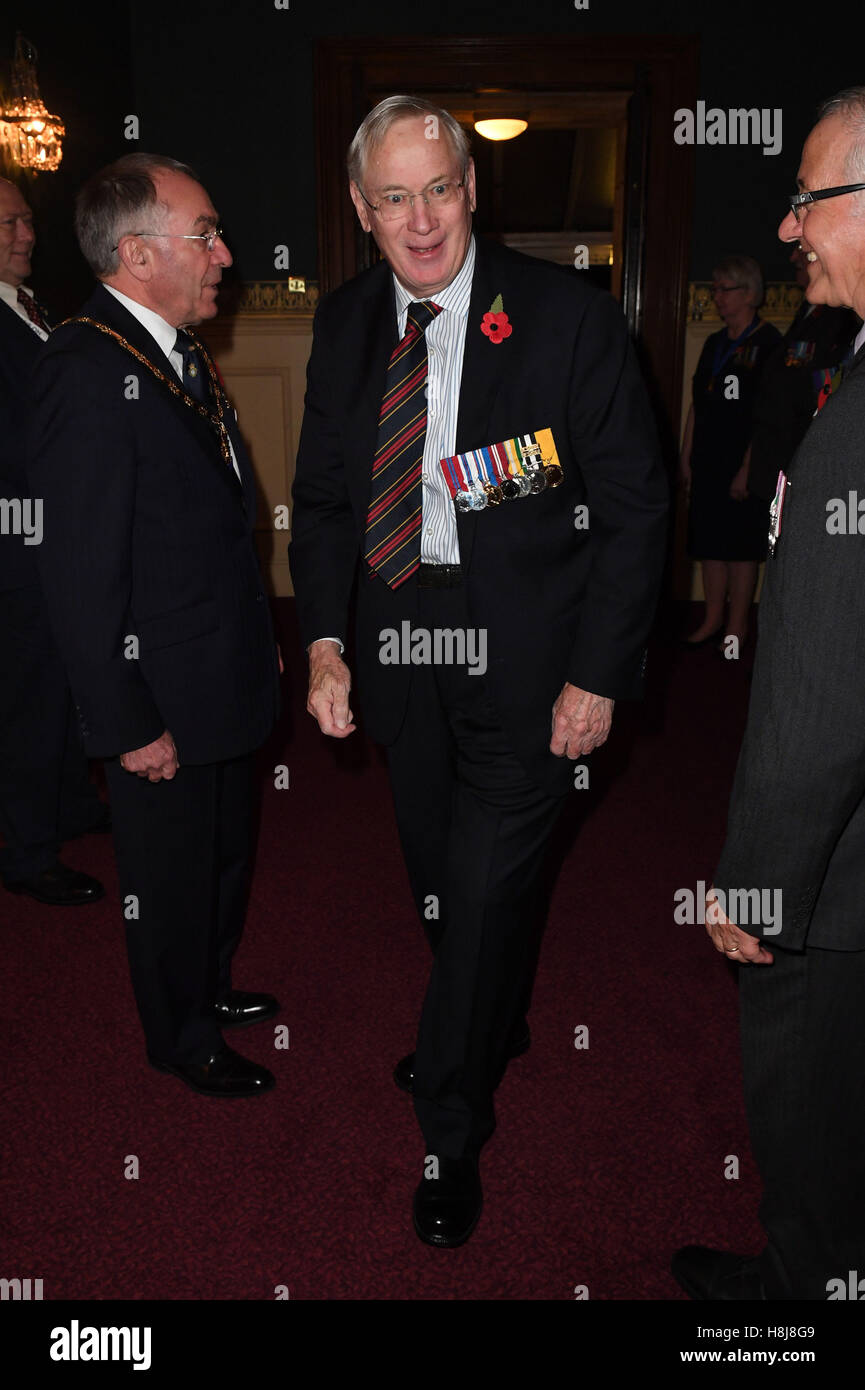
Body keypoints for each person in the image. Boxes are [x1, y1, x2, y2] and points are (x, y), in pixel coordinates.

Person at [290, 95, 668, 1246]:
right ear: (361, 209)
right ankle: (484, 1005)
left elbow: (636, 505)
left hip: (535, 661)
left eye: (438, 189)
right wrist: (322, 639)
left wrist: (599, 674)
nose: (419, 220)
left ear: (472, 190)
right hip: (401, 649)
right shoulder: (348, 320)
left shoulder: (565, 318)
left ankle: (451, 1125)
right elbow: (320, 501)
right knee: (439, 881)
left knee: (491, 883)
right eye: (392, 197)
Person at [27, 154, 281, 1097]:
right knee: (166, 877)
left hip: (213, 674)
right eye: (205, 234)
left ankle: (207, 989)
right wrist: (126, 722)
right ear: (137, 253)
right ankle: (179, 1037)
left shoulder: (167, 345)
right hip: (157, 693)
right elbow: (79, 573)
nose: (225, 253)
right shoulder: (85, 370)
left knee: (217, 858)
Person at [672, 86, 865, 1301]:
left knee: (809, 1084)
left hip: (836, 881)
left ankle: (808, 1284)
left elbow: (824, 696)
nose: (789, 230)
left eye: (809, 198)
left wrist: (754, 878)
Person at [0, 175, 106, 907]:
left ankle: (67, 804)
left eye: (27, 221)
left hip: (51, 534)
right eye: (9, 225)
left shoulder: (26, 306)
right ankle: (27, 849)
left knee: (64, 680)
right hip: (14, 541)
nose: (27, 236)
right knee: (28, 694)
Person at [679, 256, 781, 649]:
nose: (716, 297)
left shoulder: (770, 345)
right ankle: (712, 619)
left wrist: (748, 468)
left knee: (740, 549)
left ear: (750, 294)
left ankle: (736, 628)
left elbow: (769, 417)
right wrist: (687, 454)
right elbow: (696, 405)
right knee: (709, 545)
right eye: (715, 289)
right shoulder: (713, 343)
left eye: (725, 289)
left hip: (742, 463)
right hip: (707, 460)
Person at [745, 244, 858, 504]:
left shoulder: (839, 317)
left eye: (802, 249)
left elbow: (826, 391)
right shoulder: (809, 310)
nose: (793, 256)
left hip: (798, 457)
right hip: (775, 459)